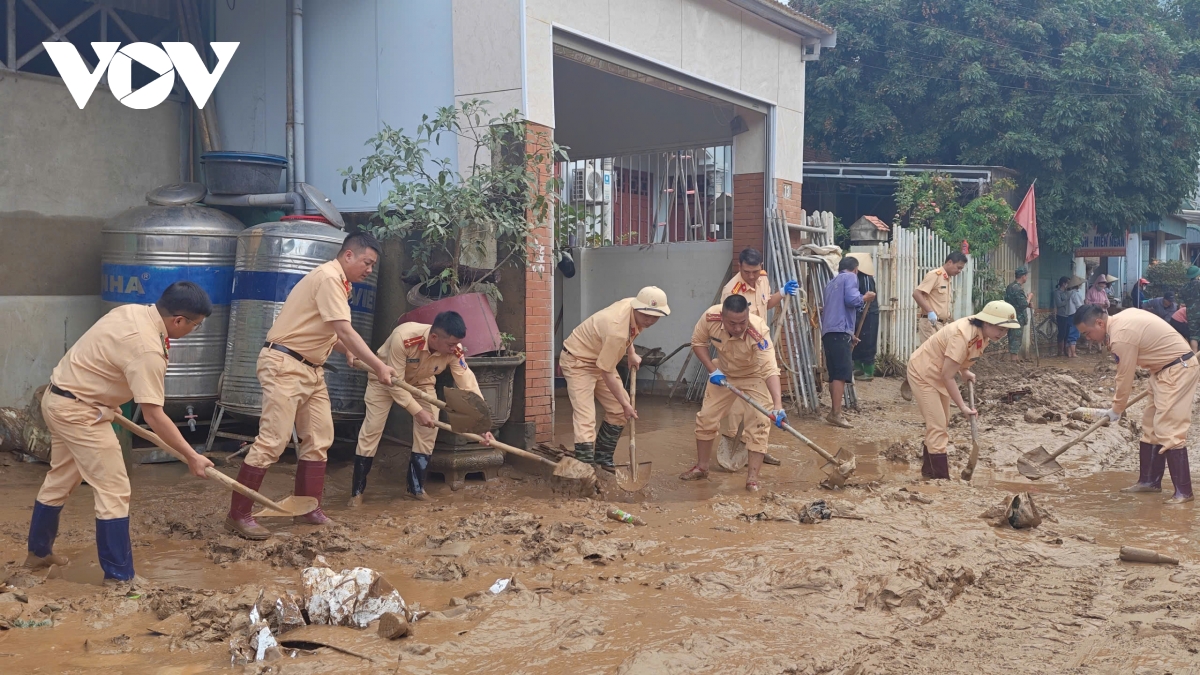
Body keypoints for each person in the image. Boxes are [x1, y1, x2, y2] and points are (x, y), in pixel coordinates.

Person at [25, 282, 215, 583]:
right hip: (80, 413)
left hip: (60, 397)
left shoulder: (131, 312)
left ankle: (38, 553)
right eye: (196, 325)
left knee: (60, 477)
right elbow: (154, 415)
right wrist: (191, 456)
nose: (194, 330)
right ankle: (119, 576)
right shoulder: (147, 349)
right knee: (114, 490)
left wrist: (106, 400)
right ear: (178, 320)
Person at [225, 232, 398, 540]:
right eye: (366, 262)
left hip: (311, 369)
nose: (369, 270)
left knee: (319, 439)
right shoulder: (329, 278)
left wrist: (348, 353)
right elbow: (344, 330)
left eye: (372, 265)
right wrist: (378, 365)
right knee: (272, 442)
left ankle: (308, 508)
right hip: (285, 366)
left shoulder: (339, 284)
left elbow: (328, 331)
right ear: (348, 256)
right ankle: (238, 515)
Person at [349, 311, 493, 506]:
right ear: (434, 337)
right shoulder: (404, 338)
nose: (454, 349)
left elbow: (468, 384)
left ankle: (415, 488)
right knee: (372, 428)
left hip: (422, 383)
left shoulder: (454, 349)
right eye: (450, 345)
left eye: (455, 345)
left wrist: (482, 424)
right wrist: (417, 411)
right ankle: (357, 491)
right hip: (384, 379)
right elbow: (395, 384)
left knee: (429, 428)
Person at [1074, 304, 1196, 504]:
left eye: (1087, 333)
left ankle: (1184, 492)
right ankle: (1149, 482)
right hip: (1162, 370)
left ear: (1099, 323)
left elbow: (1125, 377)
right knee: (1150, 426)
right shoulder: (1121, 321)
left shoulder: (1121, 335)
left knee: (1169, 428)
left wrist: (1117, 409)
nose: (1087, 338)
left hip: (1178, 369)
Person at [679, 294, 787, 492]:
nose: (737, 328)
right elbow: (698, 343)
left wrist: (778, 406)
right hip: (724, 374)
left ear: (748, 316)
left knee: (760, 423)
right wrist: (712, 370)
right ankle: (702, 467)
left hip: (754, 376)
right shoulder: (710, 318)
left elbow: (770, 370)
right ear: (722, 317)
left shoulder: (758, 330)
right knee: (706, 418)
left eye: (742, 322)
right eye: (732, 323)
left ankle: (752, 479)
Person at [907, 301, 1019, 479]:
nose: (1002, 334)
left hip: (940, 371)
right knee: (937, 426)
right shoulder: (963, 334)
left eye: (1006, 331)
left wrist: (965, 370)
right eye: (1000, 329)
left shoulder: (984, 335)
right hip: (923, 372)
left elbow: (963, 357)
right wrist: (963, 407)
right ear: (987, 322)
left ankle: (928, 474)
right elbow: (948, 376)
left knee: (942, 422)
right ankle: (941, 481)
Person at [561, 287, 669, 470]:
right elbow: (607, 372)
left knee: (618, 411)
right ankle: (585, 470)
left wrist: (632, 353)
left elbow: (630, 334)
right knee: (586, 417)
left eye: (655, 316)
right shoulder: (616, 330)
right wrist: (627, 406)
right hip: (578, 361)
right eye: (646, 316)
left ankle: (603, 460)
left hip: (601, 358)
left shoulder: (632, 305)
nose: (650, 321)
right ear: (637, 308)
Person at [718, 247, 799, 465]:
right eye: (747, 272)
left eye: (755, 271)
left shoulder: (762, 279)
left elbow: (766, 305)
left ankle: (758, 447)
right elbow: (731, 327)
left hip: (759, 350)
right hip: (739, 354)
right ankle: (735, 443)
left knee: (762, 404)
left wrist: (781, 293)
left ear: (761, 267)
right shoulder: (731, 291)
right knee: (737, 406)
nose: (752, 276)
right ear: (739, 267)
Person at [902, 251, 969, 399]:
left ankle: (915, 381)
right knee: (933, 357)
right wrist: (930, 311)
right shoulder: (935, 275)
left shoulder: (947, 278)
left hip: (941, 325)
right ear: (949, 262)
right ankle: (918, 383)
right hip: (929, 322)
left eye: (961, 269)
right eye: (958, 267)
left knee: (937, 357)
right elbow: (917, 294)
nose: (959, 271)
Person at [821, 256, 875, 428]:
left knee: (835, 372)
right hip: (839, 333)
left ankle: (834, 411)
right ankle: (836, 413)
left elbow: (836, 311)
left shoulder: (831, 283)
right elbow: (852, 300)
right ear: (856, 269)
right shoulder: (851, 277)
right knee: (841, 374)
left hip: (830, 332)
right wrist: (866, 297)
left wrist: (850, 334)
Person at [848, 252, 880, 381]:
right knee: (858, 339)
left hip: (868, 313)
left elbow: (868, 297)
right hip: (859, 312)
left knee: (867, 341)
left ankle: (868, 371)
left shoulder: (866, 278)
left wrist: (861, 310)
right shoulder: (856, 277)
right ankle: (859, 367)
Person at [1004, 268, 1033, 361]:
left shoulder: (1010, 287)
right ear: (1023, 276)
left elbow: (1014, 302)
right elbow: (1023, 304)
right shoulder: (1018, 288)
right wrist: (1029, 298)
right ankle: (1013, 360)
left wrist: (1027, 303)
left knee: (1013, 337)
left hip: (1011, 315)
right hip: (1018, 317)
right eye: (1026, 276)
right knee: (1016, 338)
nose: (1027, 277)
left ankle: (1015, 359)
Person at [1178, 266, 1200, 351]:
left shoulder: (1184, 288)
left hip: (1191, 314)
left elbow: (1182, 303)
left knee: (1194, 336)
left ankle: (1194, 358)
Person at [1054, 277, 1074, 357]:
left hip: (1068, 314)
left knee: (1067, 333)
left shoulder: (1067, 292)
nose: (1068, 285)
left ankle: (1065, 350)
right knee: (1061, 333)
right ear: (1063, 284)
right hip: (1061, 315)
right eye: (1067, 283)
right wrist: (1067, 300)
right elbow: (1059, 304)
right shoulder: (1057, 293)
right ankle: (1060, 351)